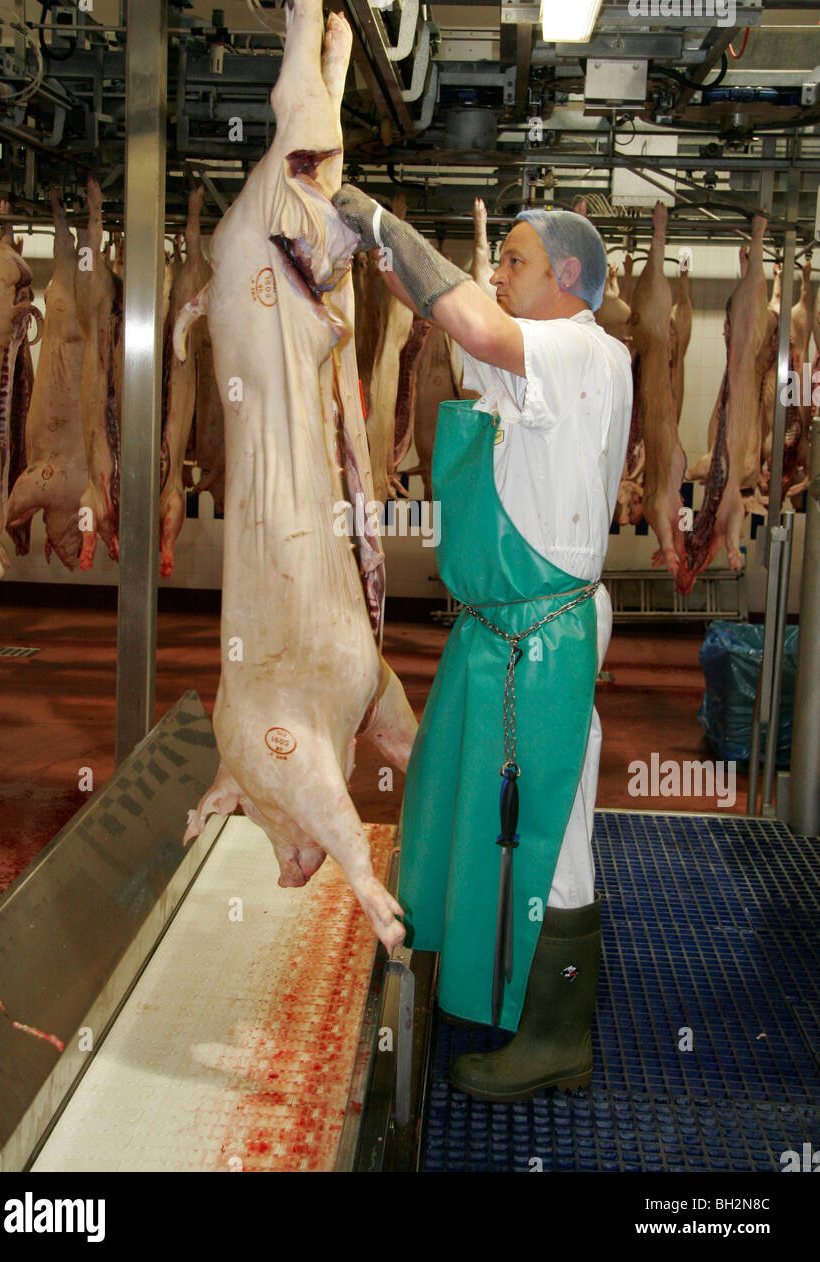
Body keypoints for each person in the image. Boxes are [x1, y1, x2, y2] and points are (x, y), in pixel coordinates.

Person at [332, 186, 632, 1102]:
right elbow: (468, 335)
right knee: (484, 811)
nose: (499, 275)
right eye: (498, 261)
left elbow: (479, 325)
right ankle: (495, 984)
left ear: (568, 278)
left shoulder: (582, 347)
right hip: (506, 629)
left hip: (540, 635)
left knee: (549, 831)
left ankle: (555, 1036)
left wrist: (382, 221)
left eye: (516, 261)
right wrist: (391, 270)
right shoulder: (533, 361)